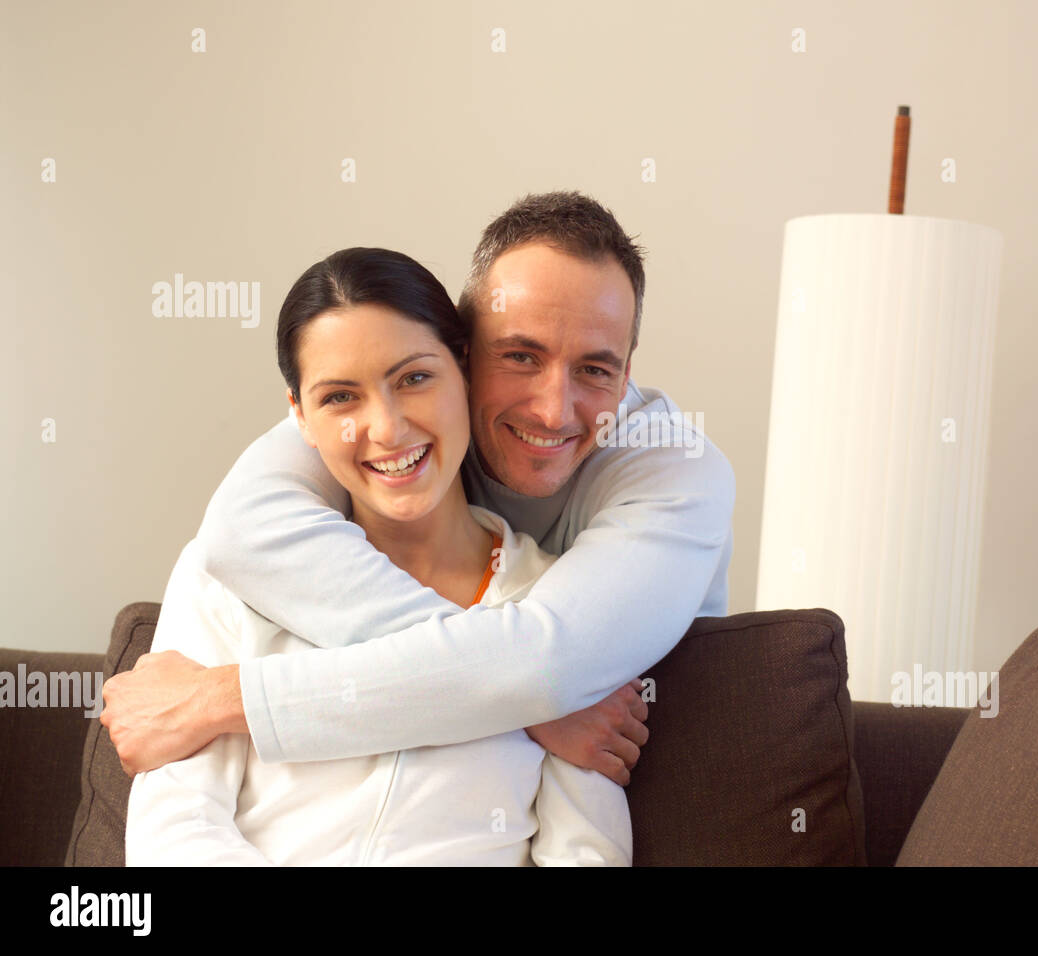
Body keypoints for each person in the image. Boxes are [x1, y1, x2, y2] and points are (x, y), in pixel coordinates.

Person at [102, 191, 735, 793]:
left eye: (595, 369)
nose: (552, 409)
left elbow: (549, 666)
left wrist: (216, 698)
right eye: (519, 356)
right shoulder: (393, 412)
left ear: (628, 374)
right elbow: (239, 534)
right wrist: (522, 699)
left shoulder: (679, 472)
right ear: (461, 354)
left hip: (628, 775)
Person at [126, 247, 631, 864]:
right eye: (340, 398)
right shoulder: (224, 580)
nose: (387, 428)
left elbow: (586, 855)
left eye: (414, 378)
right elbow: (174, 834)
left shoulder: (562, 611)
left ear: (465, 372)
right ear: (300, 418)